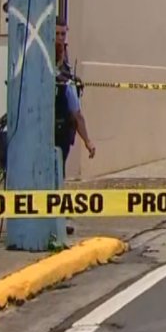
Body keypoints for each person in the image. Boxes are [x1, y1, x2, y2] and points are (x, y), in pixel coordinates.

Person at [55, 24, 96, 236]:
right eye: (57, 34)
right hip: (44, 132)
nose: (61, 39)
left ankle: (57, 218)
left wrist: (87, 140)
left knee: (57, 175)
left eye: (63, 34)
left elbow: (75, 111)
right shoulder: (43, 64)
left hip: (62, 132)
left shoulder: (65, 66)